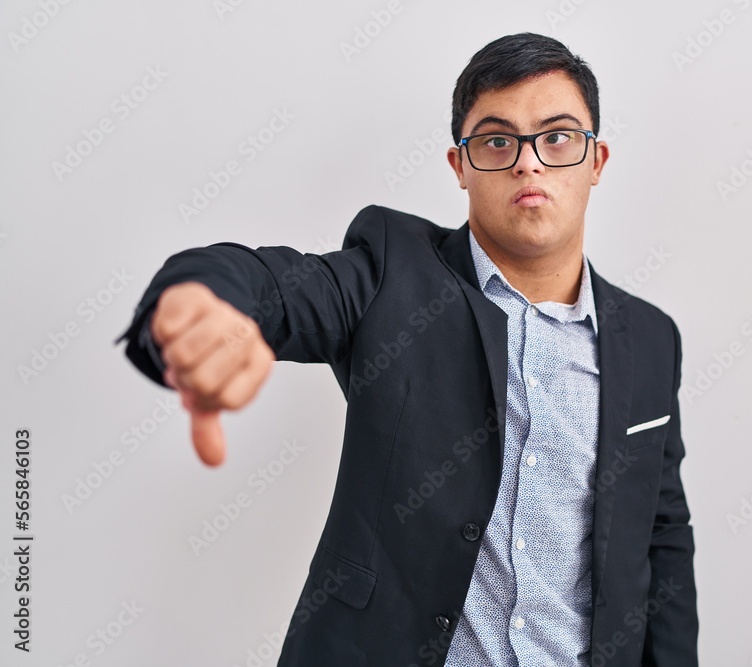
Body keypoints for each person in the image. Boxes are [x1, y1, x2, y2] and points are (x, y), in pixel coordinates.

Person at [115, 32, 698, 666]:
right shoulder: (392, 272)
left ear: (596, 160)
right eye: (497, 141)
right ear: (460, 167)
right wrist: (197, 300)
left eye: (556, 137)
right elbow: (270, 282)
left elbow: (662, 535)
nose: (528, 163)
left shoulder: (651, 338)